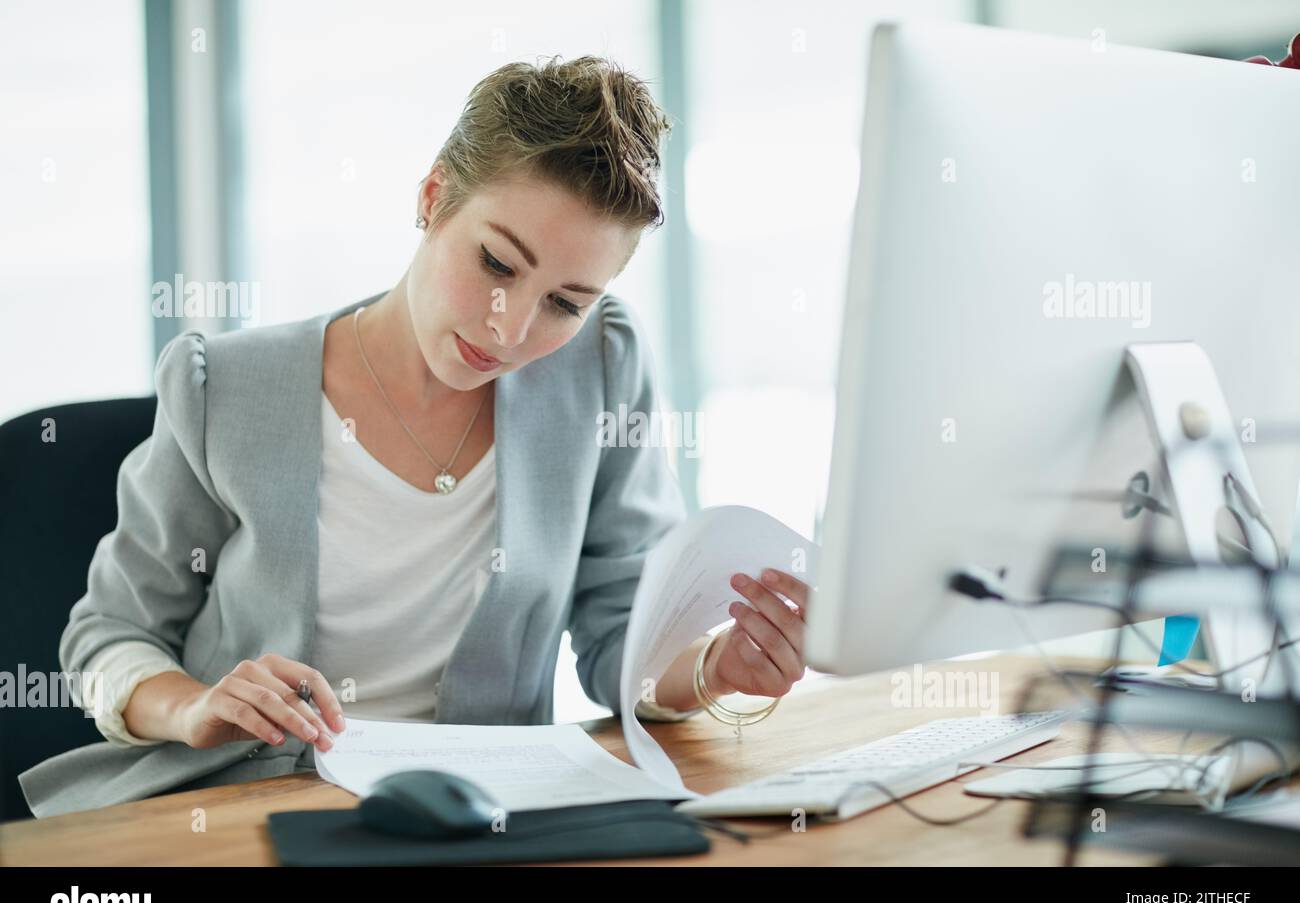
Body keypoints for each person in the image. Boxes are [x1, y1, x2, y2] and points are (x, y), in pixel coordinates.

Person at [18, 55, 811, 818]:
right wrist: (194, 707)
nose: (512, 327)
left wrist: (713, 667)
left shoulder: (598, 369)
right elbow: (108, 634)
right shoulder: (221, 386)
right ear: (433, 197)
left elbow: (622, 643)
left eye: (566, 303)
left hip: (482, 817)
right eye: (498, 263)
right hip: (240, 806)